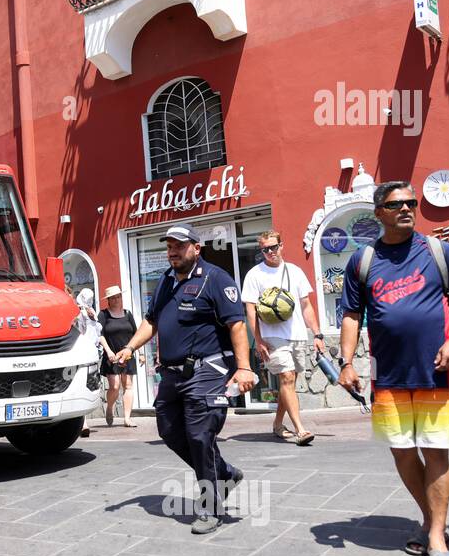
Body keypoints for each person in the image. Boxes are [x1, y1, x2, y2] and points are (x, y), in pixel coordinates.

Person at [338, 181, 449, 556]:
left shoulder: (439, 251)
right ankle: (429, 517)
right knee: (402, 451)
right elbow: (351, 314)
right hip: (388, 376)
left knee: (435, 451)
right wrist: (346, 361)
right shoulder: (362, 261)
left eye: (411, 203)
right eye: (396, 203)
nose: (406, 208)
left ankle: (436, 535)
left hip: (436, 370)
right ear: (378, 211)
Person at [115, 226, 255, 535]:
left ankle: (211, 508)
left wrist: (243, 368)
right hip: (172, 372)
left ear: (196, 247)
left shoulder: (216, 279)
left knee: (199, 435)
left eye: (179, 246)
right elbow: (152, 321)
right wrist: (129, 347)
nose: (172, 251)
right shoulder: (166, 280)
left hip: (208, 369)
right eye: (169, 246)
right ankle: (224, 473)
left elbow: (236, 326)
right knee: (167, 429)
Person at [241, 230, 325, 446]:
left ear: (281, 245)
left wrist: (316, 334)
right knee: (286, 378)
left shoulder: (295, 272)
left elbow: (306, 306)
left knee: (289, 383)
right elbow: (250, 310)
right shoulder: (254, 275)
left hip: (296, 335)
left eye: (273, 247)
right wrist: (258, 339)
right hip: (271, 337)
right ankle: (301, 429)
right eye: (265, 249)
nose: (270, 252)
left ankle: (278, 425)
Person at [98, 285, 142, 427]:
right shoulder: (103, 315)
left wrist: (140, 353)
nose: (116, 300)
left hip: (127, 354)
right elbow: (99, 335)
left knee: (128, 385)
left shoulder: (128, 314)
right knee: (115, 386)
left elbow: (137, 335)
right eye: (113, 298)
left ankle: (127, 418)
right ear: (108, 300)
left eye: (118, 297)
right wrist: (108, 351)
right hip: (112, 356)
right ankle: (110, 408)